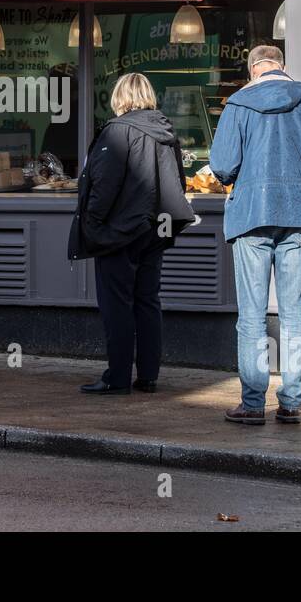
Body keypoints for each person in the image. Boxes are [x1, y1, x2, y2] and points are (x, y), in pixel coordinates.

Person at [209, 44, 301, 425]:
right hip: (295, 214)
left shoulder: (238, 104)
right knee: (294, 311)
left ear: (252, 70)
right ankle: (292, 400)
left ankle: (251, 402)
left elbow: (222, 165)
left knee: (252, 315)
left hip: (250, 216)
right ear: (283, 66)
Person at [69, 73, 193, 395]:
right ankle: (148, 375)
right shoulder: (166, 132)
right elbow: (178, 181)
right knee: (148, 301)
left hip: (119, 232)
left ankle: (118, 376)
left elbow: (103, 186)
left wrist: (91, 227)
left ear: (120, 97)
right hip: (155, 230)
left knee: (117, 305)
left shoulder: (117, 131)